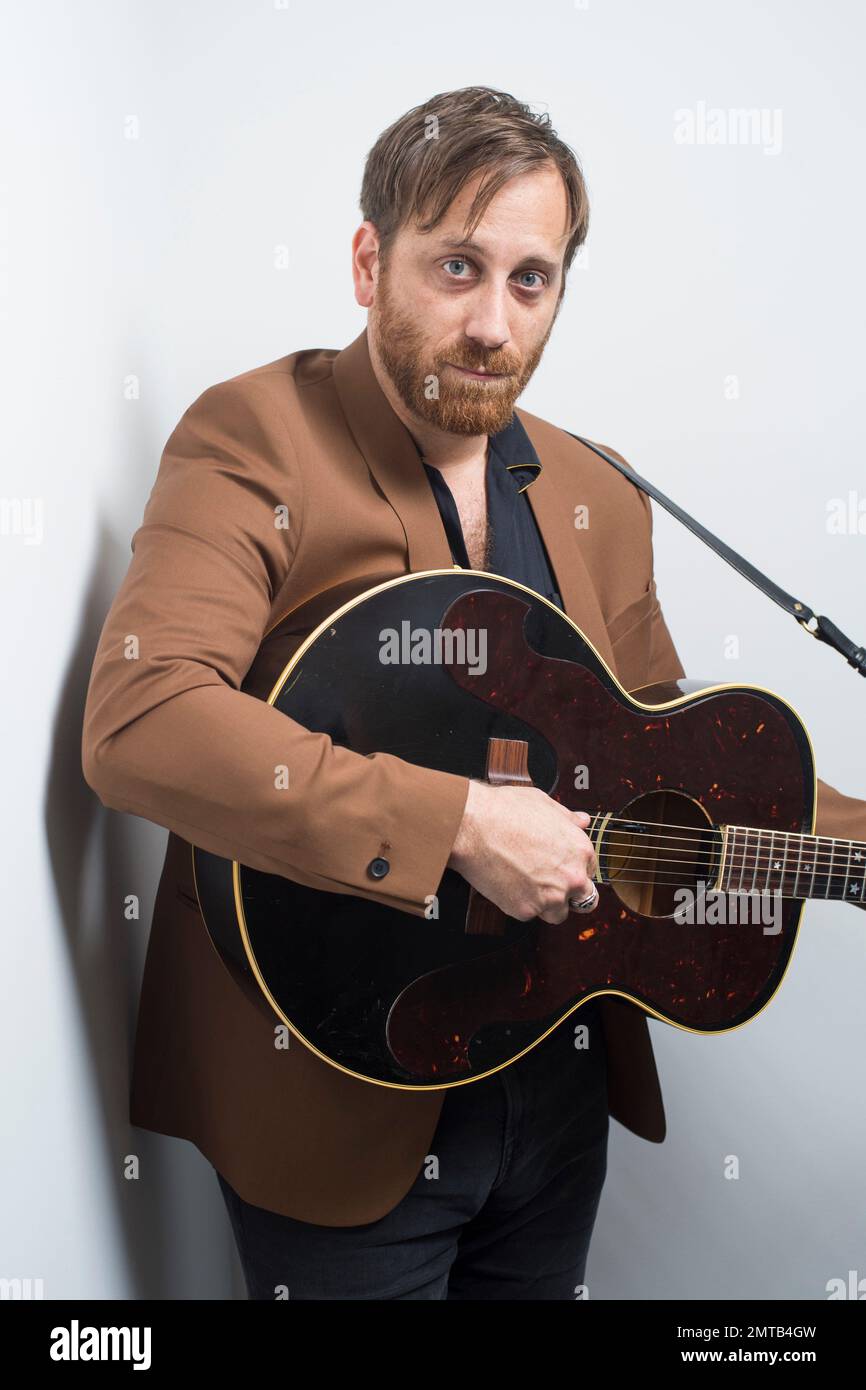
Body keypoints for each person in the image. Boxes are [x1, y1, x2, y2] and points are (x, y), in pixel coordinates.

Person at [81, 85, 866, 1300]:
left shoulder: (595, 491)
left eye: (529, 279)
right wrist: (454, 824)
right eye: (456, 265)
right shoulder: (251, 438)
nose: (493, 323)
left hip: (552, 1096)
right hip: (331, 1100)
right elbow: (140, 725)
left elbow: (680, 752)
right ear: (366, 260)